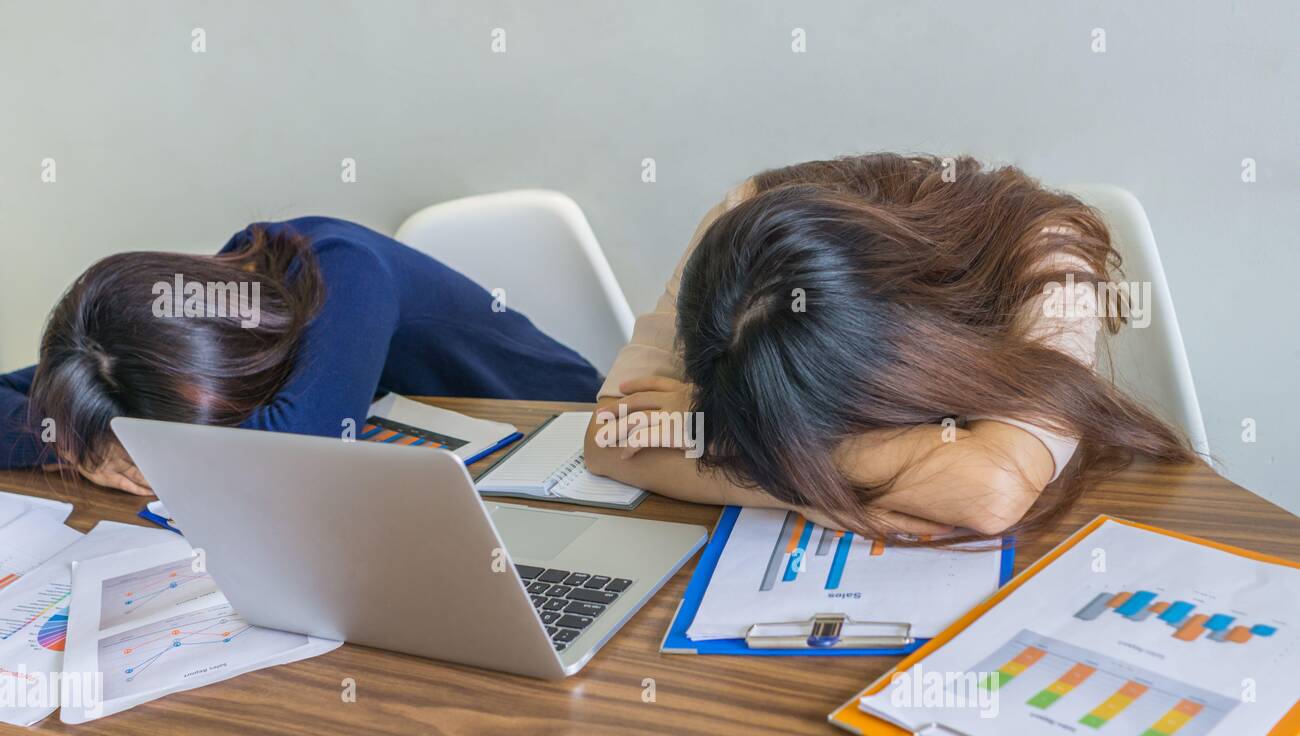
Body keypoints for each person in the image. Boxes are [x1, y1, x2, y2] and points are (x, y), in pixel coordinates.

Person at [585, 153, 1196, 541]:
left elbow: (992, 488)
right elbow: (610, 437)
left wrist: (727, 438)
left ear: (904, 353)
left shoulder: (1045, 261)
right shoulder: (741, 229)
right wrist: (801, 483)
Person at [1, 216, 602, 493]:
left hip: (564, 441)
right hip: (446, 477)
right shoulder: (144, 340)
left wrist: (144, 445)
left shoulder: (344, 268)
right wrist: (81, 443)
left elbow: (295, 452)